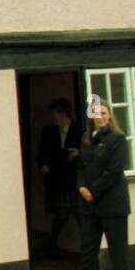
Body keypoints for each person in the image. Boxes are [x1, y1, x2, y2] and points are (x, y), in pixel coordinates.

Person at [65, 100, 131, 270]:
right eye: (96, 114)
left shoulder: (118, 139)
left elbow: (114, 171)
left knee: (117, 248)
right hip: (90, 203)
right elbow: (82, 168)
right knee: (88, 245)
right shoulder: (87, 140)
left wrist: (93, 191)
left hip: (112, 203)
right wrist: (81, 186)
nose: (100, 117)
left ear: (110, 115)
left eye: (104, 113)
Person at [36, 98, 82, 256]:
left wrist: (78, 154)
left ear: (63, 114)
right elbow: (42, 154)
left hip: (74, 180)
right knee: (61, 214)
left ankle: (88, 246)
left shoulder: (79, 130)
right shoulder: (48, 131)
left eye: (55, 113)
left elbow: (87, 151)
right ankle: (52, 245)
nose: (53, 117)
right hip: (56, 180)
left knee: (77, 213)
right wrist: (42, 164)